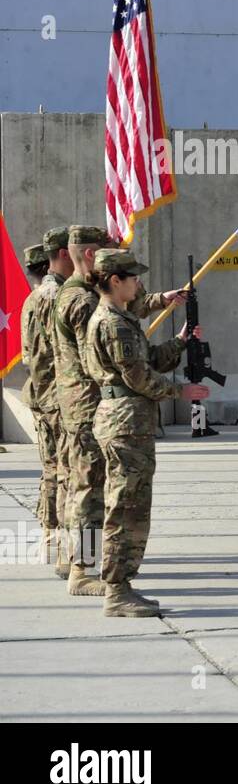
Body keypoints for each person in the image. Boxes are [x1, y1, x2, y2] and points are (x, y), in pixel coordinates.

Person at [53, 226, 187, 596]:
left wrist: (164, 302)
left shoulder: (86, 294)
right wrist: (174, 387)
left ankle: (83, 563)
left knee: (101, 489)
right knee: (94, 491)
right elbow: (112, 356)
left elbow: (132, 307)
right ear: (93, 254)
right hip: (92, 403)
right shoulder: (81, 302)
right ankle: (83, 568)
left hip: (99, 403)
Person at [81, 249, 208, 616]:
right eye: (133, 277)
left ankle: (122, 586)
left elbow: (147, 360)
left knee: (131, 504)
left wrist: (181, 342)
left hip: (127, 422)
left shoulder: (121, 318)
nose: (139, 283)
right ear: (114, 281)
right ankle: (117, 591)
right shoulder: (114, 323)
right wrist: (178, 392)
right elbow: (137, 377)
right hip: (124, 423)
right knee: (126, 507)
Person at [19, 228, 71, 561]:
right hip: (54, 394)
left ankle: (50, 537)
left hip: (41, 391)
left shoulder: (32, 298)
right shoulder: (52, 297)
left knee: (51, 467)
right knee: (59, 469)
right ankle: (54, 538)